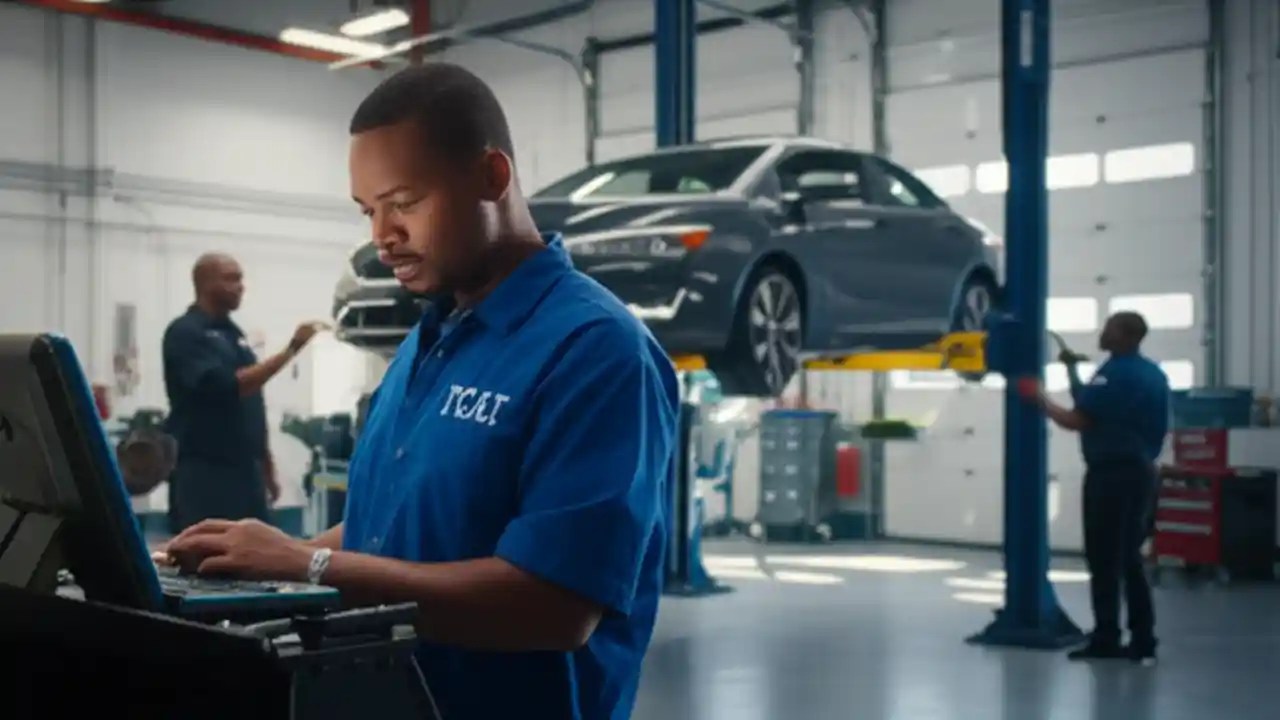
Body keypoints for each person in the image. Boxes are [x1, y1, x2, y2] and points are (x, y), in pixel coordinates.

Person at [163, 64, 679, 720]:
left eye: (403, 202)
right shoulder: (427, 342)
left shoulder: (595, 350)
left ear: (492, 177)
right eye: (368, 211)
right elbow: (390, 525)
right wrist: (262, 558)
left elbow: (555, 606)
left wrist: (308, 566)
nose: (382, 237)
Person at [1018, 311, 1169, 665]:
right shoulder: (1148, 372)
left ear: (1127, 336)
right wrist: (1071, 372)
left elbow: (1079, 419)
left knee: (1105, 559)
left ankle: (1107, 638)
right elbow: (1091, 403)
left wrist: (1038, 398)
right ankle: (1143, 639)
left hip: (1113, 477)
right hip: (1140, 474)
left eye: (1110, 329)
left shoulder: (1116, 374)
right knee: (1129, 557)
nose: (1103, 333)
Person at [161, 253, 325, 532]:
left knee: (254, 548)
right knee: (207, 549)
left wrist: (265, 463)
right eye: (230, 279)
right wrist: (291, 350)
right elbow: (232, 386)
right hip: (204, 471)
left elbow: (251, 399)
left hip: (245, 471)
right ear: (205, 283)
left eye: (240, 279)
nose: (240, 286)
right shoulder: (186, 333)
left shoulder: (233, 333)